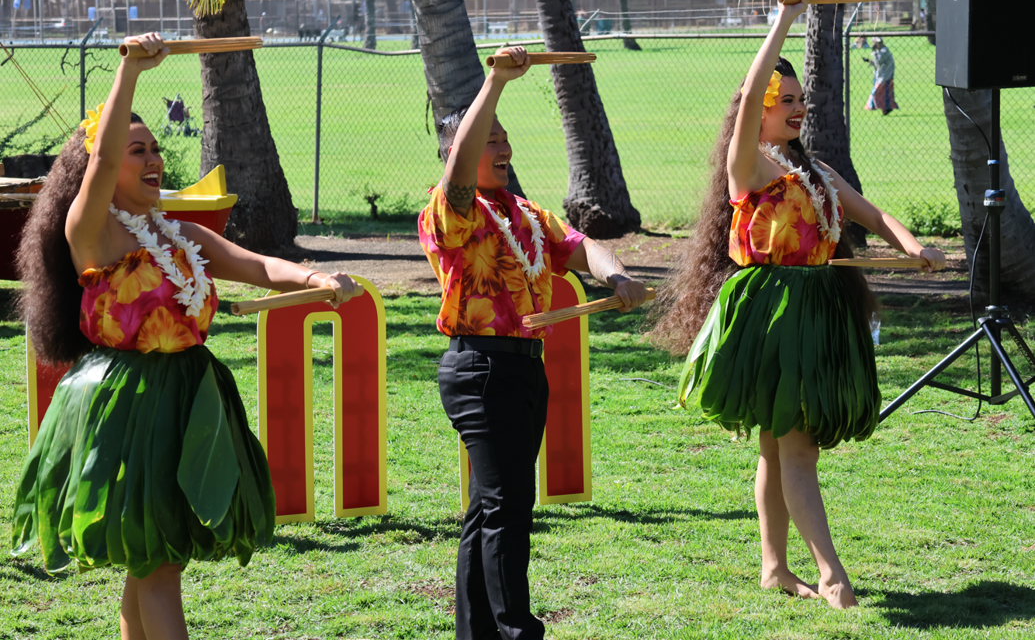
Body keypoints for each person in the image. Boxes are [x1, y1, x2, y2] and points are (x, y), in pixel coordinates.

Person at [10, 33, 363, 639]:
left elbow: (255, 266)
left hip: (191, 396)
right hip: (130, 406)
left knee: (148, 556)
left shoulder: (180, 238)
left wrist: (317, 277)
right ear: (101, 163)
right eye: (135, 149)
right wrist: (130, 73)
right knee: (160, 557)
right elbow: (96, 167)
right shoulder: (93, 235)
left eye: (155, 149)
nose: (153, 160)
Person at [649, 0, 945, 609]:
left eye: (800, 99)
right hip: (772, 315)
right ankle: (831, 571)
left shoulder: (818, 173)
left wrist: (915, 246)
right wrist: (785, 20)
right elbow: (757, 77)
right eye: (783, 101)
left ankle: (774, 568)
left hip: (818, 312)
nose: (797, 107)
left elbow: (878, 215)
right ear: (756, 112)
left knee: (777, 445)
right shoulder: (750, 168)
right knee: (798, 447)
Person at [418, 45, 648, 640]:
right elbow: (460, 174)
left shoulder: (525, 213)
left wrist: (616, 274)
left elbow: (581, 246)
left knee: (490, 508)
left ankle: (479, 632)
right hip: (480, 368)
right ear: (456, 153)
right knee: (506, 506)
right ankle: (516, 630)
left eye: (502, 139)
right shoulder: (450, 211)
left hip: (523, 368)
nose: (499, 148)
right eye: (485, 140)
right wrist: (494, 83)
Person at [863, 36, 898, 115]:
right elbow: (877, 63)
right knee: (883, 93)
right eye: (876, 43)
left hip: (886, 75)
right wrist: (869, 61)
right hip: (881, 75)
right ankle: (885, 109)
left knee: (878, 92)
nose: (878, 44)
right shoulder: (879, 51)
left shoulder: (884, 51)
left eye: (879, 43)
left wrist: (874, 51)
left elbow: (879, 61)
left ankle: (883, 108)